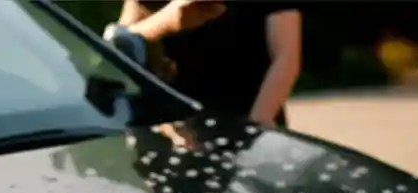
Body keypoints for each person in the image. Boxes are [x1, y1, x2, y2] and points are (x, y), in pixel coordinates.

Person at [112, 0, 302, 128]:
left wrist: (256, 127)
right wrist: (164, 22)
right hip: (172, 133)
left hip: (250, 121)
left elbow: (285, 57)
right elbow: (117, 47)